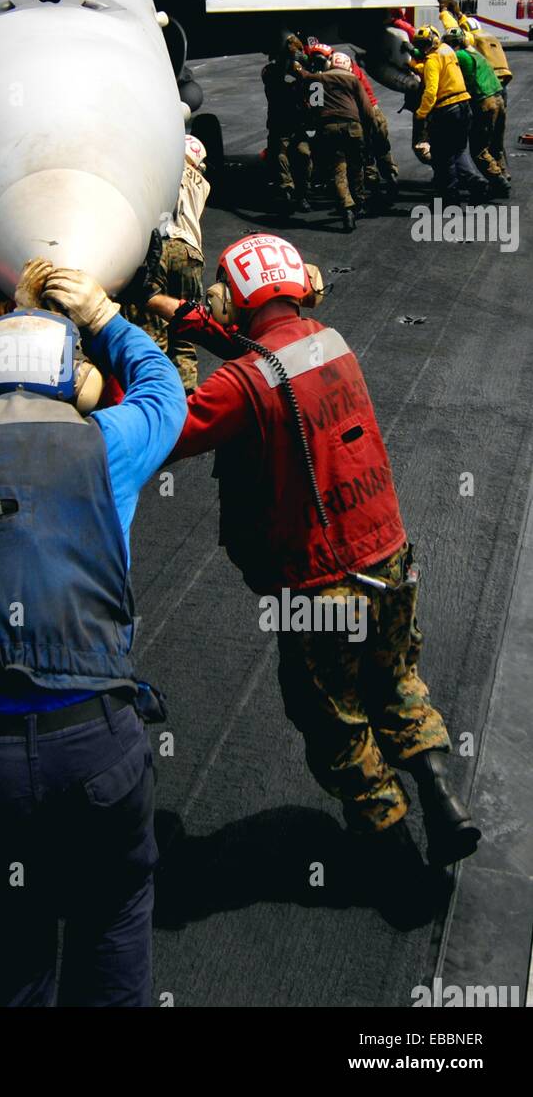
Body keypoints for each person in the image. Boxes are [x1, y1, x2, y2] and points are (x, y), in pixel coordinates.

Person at [143, 233, 481, 882]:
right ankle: (441, 797)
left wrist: (148, 351)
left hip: (322, 585)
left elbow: (173, 432)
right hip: (389, 559)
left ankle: (392, 856)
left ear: (231, 296)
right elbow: (259, 351)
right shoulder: (328, 342)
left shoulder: (243, 384)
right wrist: (171, 308)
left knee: (330, 718)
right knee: (398, 683)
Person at [0, 263, 186, 1008]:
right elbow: (164, 390)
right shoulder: (105, 444)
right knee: (114, 918)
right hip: (98, 739)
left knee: (0, 960)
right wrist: (103, 316)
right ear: (76, 384)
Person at [124, 132, 209, 391]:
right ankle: (188, 396)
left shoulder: (160, 168)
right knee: (185, 331)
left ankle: (154, 393)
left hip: (158, 247)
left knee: (153, 331)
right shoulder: (203, 184)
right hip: (190, 252)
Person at [293, 45, 375, 233]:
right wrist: (369, 134)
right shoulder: (354, 80)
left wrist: (297, 64)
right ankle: (360, 202)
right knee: (356, 167)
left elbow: (306, 83)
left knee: (339, 170)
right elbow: (367, 110)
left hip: (329, 130)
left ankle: (347, 209)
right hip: (354, 129)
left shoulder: (319, 78)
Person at [411, 26, 488, 206]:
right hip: (464, 106)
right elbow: (436, 68)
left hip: (447, 111)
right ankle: (477, 183)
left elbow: (431, 91)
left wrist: (421, 113)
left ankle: (449, 200)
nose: (422, 48)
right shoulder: (447, 51)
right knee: (459, 151)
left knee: (442, 157)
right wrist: (415, 64)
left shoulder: (432, 59)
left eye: (422, 44)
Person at [442, 28, 509, 194]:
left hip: (485, 103)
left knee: (478, 149)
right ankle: (502, 172)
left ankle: (498, 181)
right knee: (495, 144)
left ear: (452, 43)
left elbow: (440, 58)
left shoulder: (459, 56)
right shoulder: (476, 53)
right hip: (499, 99)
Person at [328, 50, 398, 206]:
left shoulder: (342, 77)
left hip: (361, 114)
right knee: (382, 148)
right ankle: (391, 177)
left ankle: (375, 190)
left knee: (366, 153)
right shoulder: (353, 70)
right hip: (375, 111)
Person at [261, 34, 312, 215]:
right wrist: (291, 62)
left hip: (298, 123)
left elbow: (314, 87)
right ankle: (287, 189)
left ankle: (302, 193)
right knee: (280, 155)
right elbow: (276, 81)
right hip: (280, 122)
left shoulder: (301, 73)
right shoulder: (270, 71)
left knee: (304, 155)